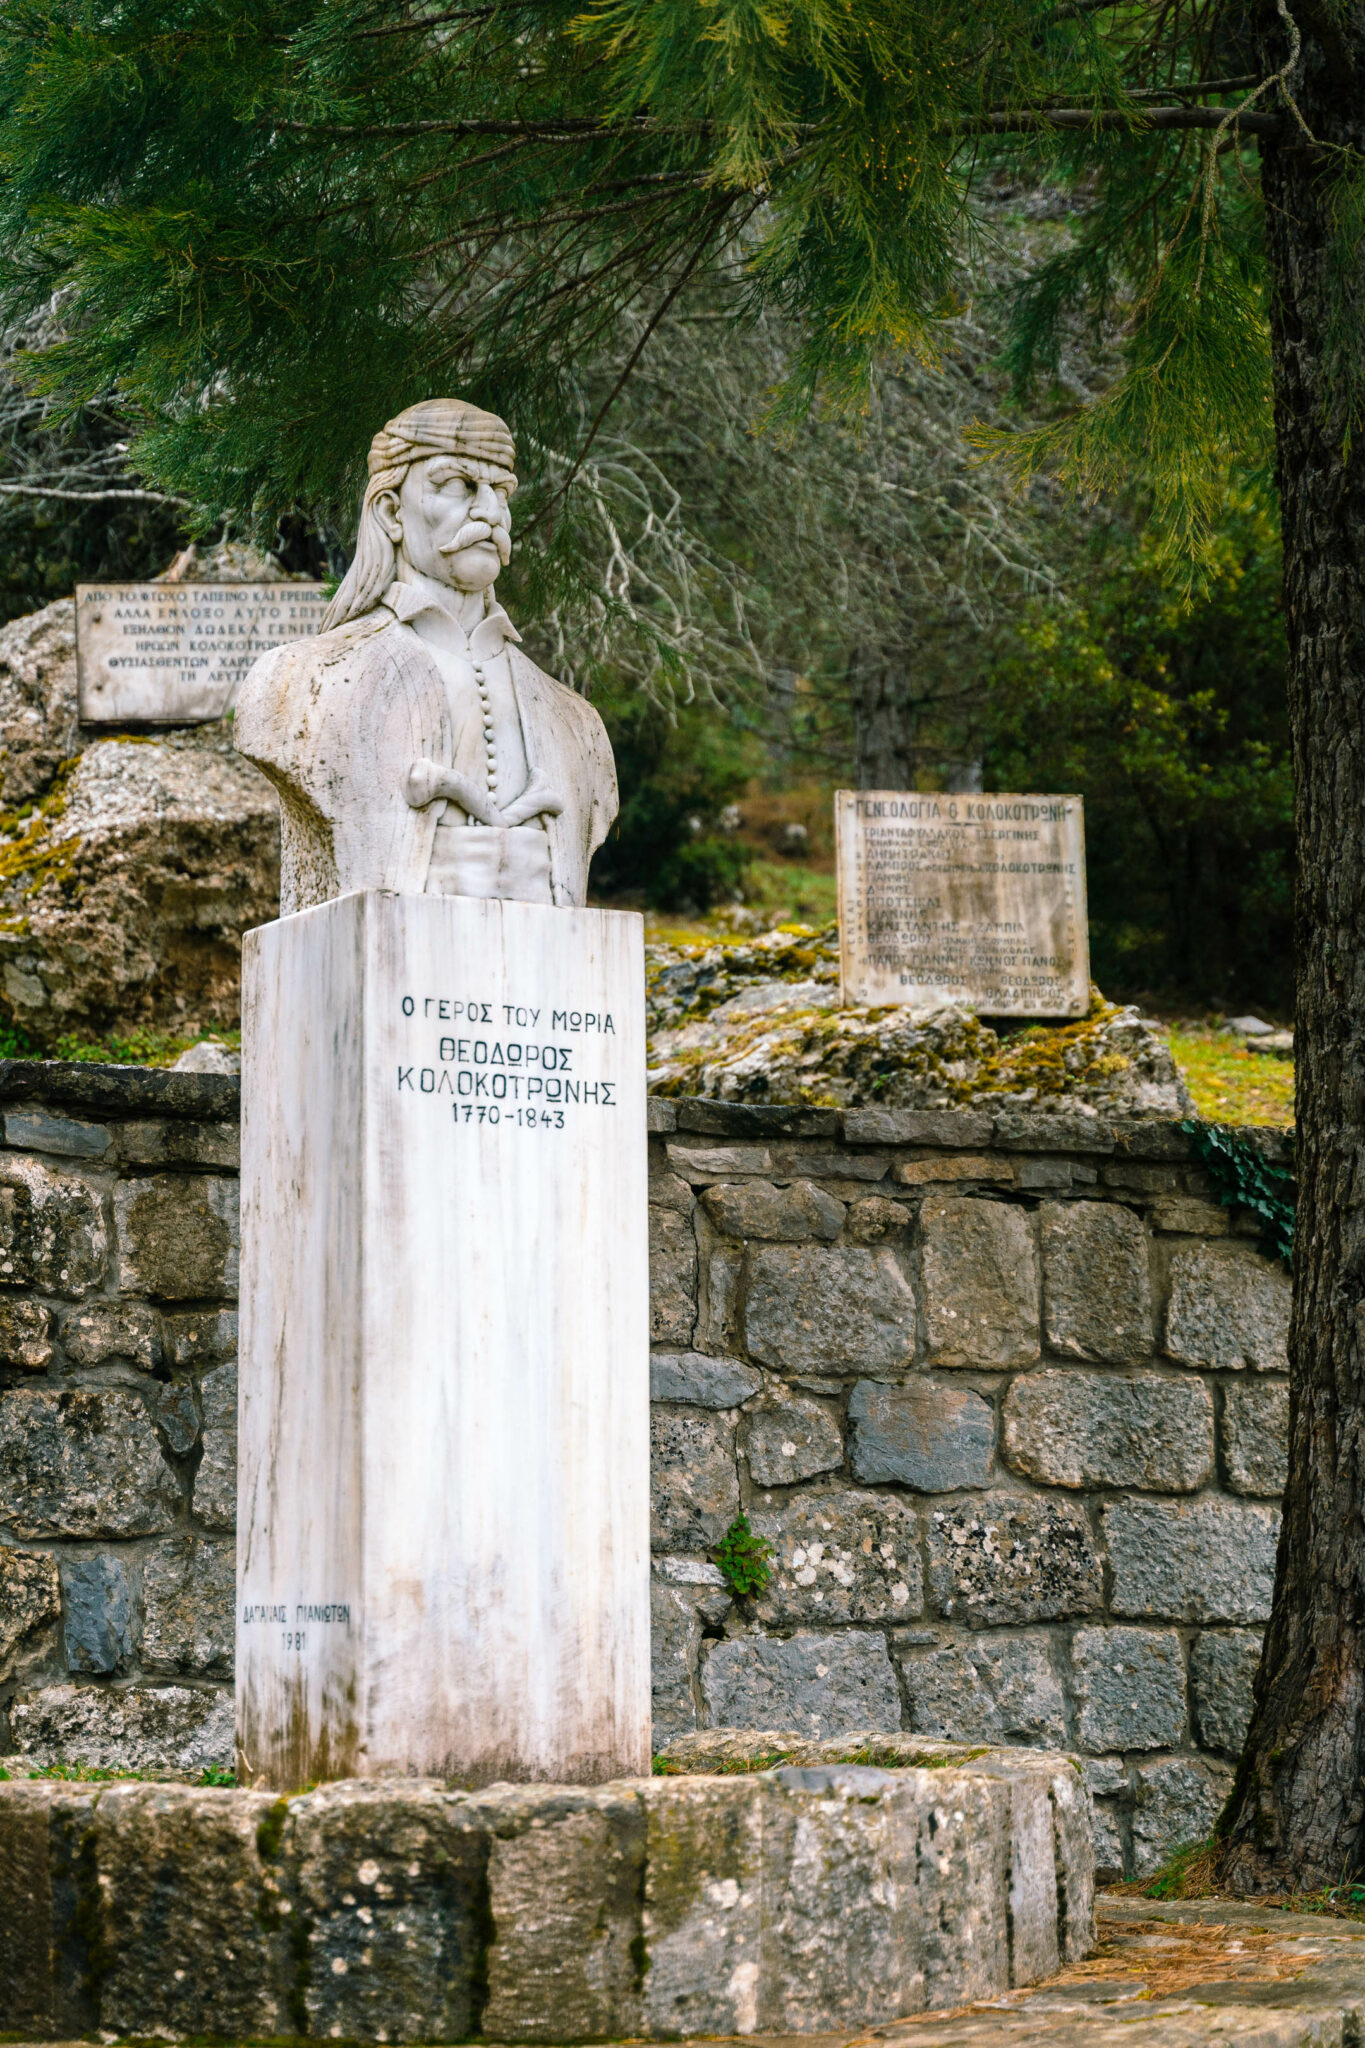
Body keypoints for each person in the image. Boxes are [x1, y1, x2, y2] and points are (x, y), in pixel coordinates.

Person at [235, 398, 618, 912]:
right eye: (458, 485)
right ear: (391, 513)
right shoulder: (299, 683)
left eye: (502, 492)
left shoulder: (578, 724)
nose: (491, 512)